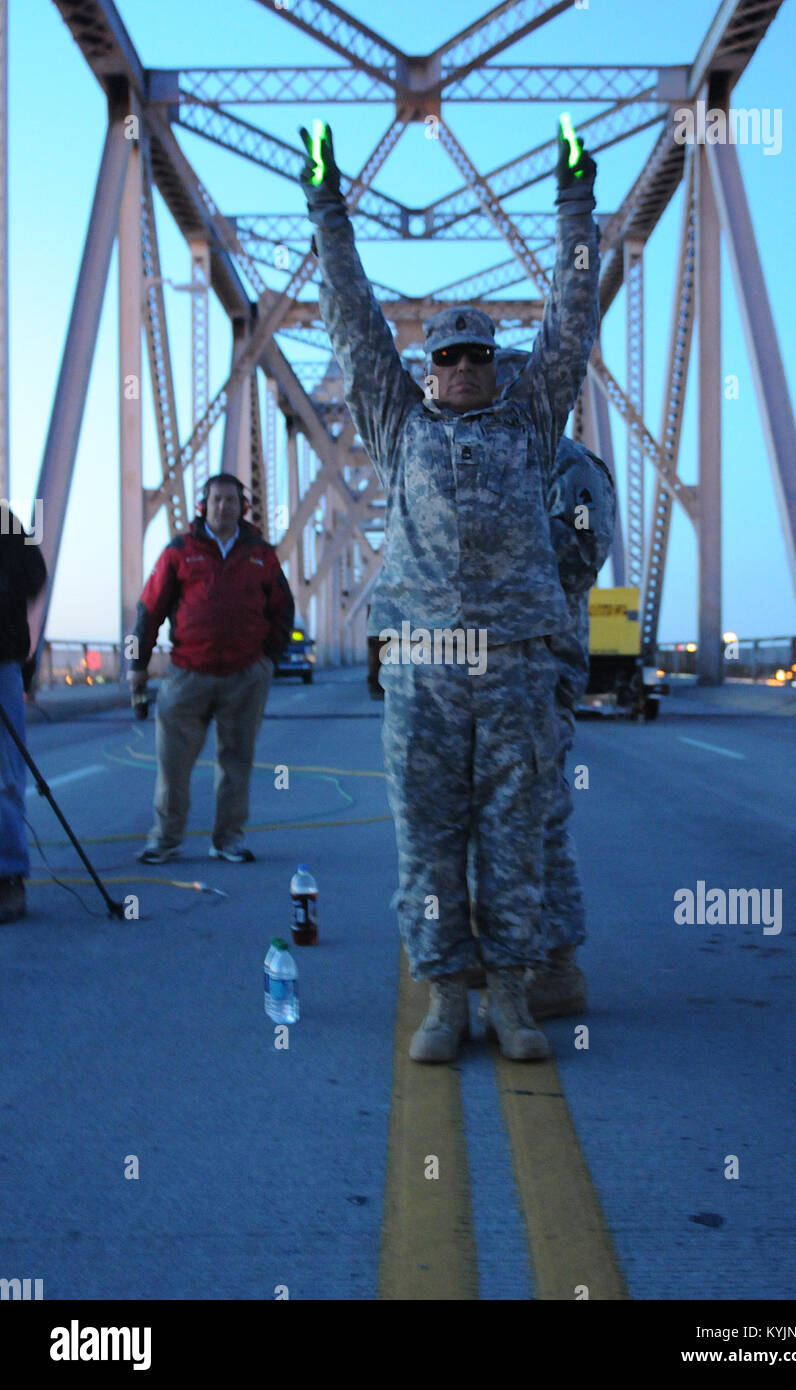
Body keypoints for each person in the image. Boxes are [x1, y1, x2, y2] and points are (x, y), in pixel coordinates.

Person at [298, 121, 600, 1062]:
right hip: (427, 668)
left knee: (512, 838)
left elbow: (575, 314)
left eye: (477, 354)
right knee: (428, 840)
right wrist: (326, 207)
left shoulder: (532, 419)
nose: (464, 366)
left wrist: (574, 205)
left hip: (512, 666)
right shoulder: (398, 425)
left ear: (496, 364)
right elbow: (352, 317)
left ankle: (510, 996)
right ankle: (444, 998)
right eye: (449, 356)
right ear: (428, 371)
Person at [471, 348, 617, 1020]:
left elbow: (582, 553)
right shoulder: (490, 464)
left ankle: (559, 965)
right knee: (485, 816)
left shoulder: (567, 464)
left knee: (541, 815)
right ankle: (499, 949)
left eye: (499, 390)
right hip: (483, 669)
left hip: (543, 664)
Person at [129, 473, 294, 865]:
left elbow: (282, 609)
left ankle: (228, 839)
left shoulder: (261, 555)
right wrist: (137, 664)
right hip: (187, 674)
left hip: (244, 675)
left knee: (236, 761)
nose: (223, 507)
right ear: (203, 505)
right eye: (216, 500)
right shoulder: (180, 551)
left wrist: (267, 659)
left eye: (231, 501)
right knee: (173, 764)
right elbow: (149, 609)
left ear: (243, 508)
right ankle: (164, 840)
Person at [0, 504, 47, 922]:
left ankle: (7, 878)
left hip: (2, 663)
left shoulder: (5, 521)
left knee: (4, 777)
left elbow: (35, 577)